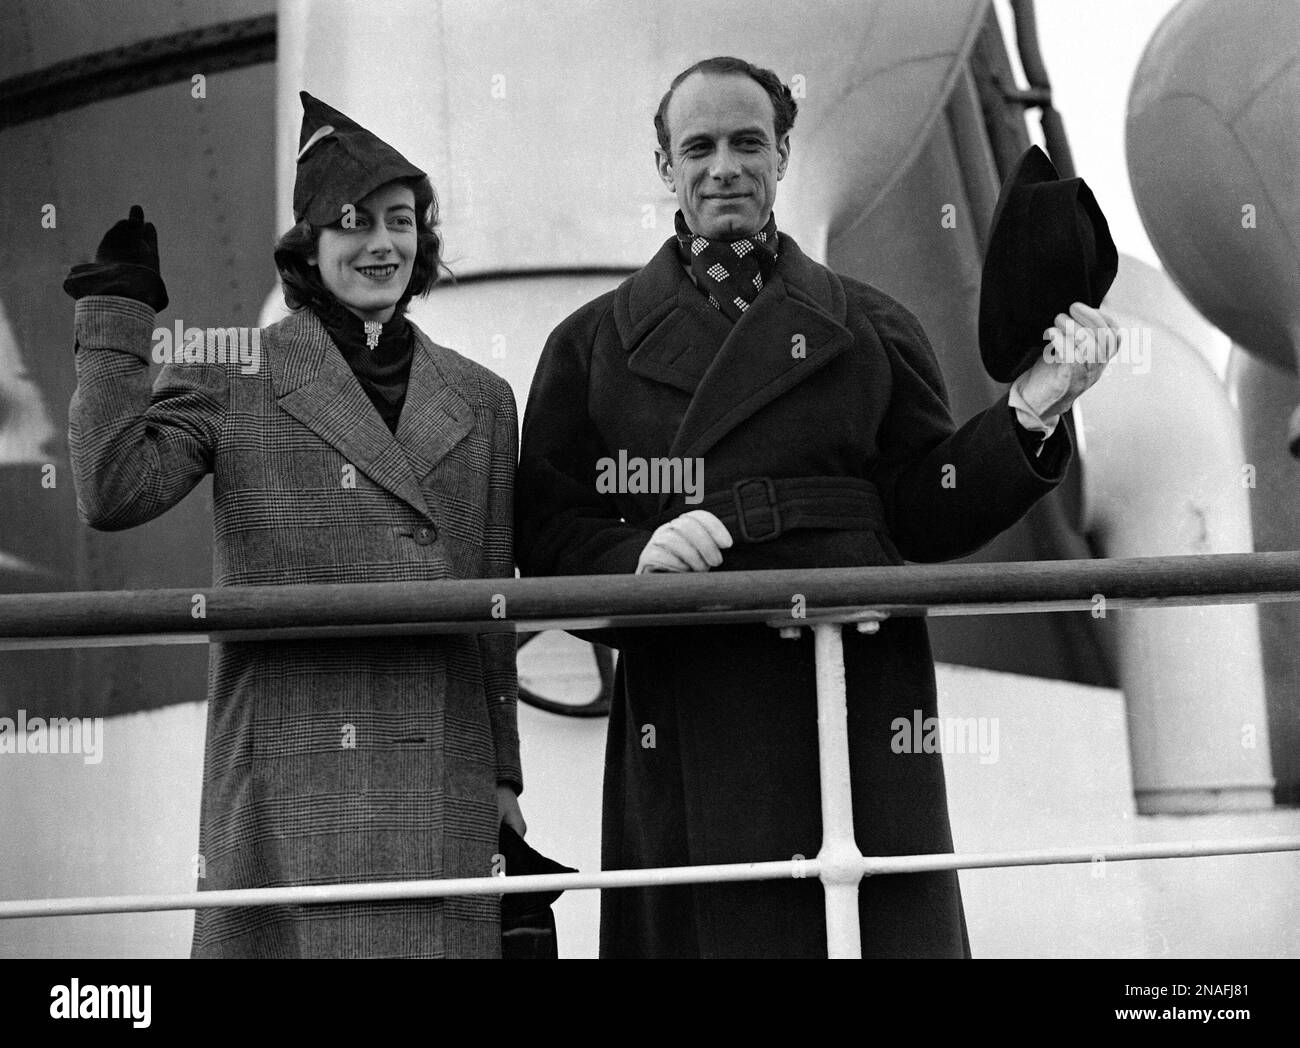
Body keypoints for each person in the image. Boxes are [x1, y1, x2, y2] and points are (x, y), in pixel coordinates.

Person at [515, 56, 1121, 958]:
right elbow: (549, 529)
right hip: (692, 680)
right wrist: (635, 562)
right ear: (664, 167)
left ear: (784, 153)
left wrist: (1031, 409)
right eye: (700, 146)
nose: (724, 166)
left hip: (857, 689)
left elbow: (927, 509)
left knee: (867, 922)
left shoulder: (871, 325)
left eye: (747, 142)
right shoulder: (592, 345)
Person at [64, 92, 524, 958]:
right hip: (287, 769)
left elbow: (493, 606)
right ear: (310, 246)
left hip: (443, 773)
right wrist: (117, 317)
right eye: (354, 224)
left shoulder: (484, 400)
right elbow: (110, 488)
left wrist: (503, 773)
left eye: (401, 221)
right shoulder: (239, 371)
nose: (381, 244)